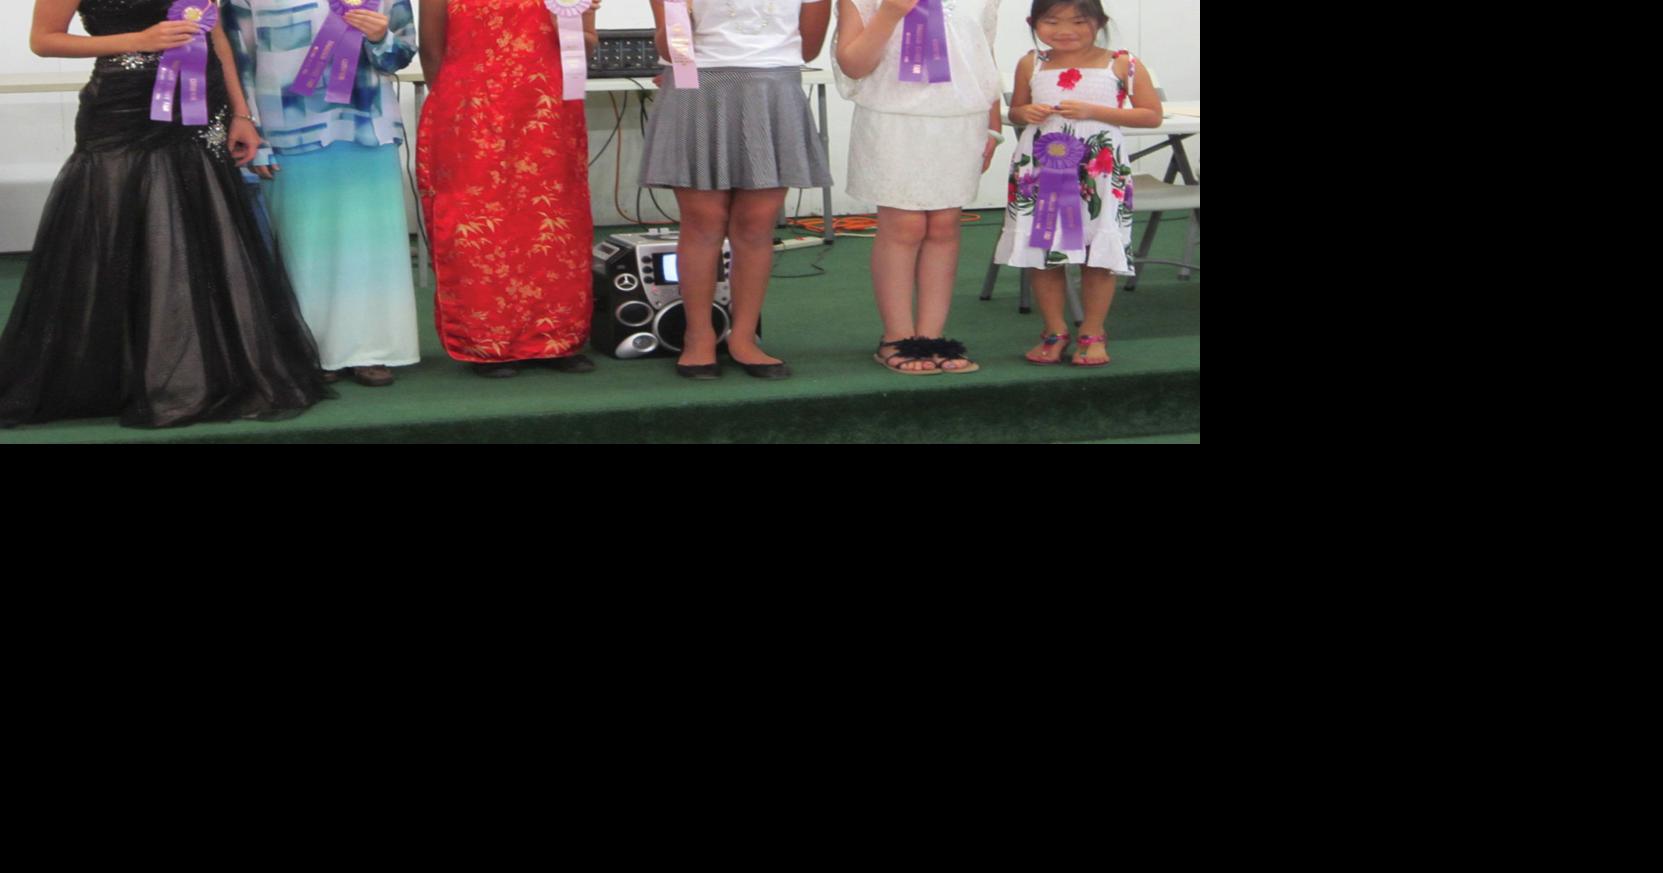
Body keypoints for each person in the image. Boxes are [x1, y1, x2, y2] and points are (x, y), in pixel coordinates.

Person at [0, 0, 330, 428]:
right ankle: (119, 373)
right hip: (123, 110)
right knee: (121, 230)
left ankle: (207, 371)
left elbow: (216, 37)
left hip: (202, 111)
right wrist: (138, 40)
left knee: (201, 228)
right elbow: (44, 41)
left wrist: (242, 114)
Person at [227, 0, 422, 388]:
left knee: (370, 248)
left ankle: (370, 350)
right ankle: (309, 351)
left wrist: (381, 37)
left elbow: (401, 54)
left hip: (368, 128)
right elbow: (238, 59)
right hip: (286, 130)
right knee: (303, 248)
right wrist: (254, 131)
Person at [640, 0, 834, 380]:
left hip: (773, 88)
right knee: (702, 222)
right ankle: (698, 335)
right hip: (696, 86)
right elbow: (670, 48)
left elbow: (808, 45)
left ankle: (744, 337)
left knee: (756, 225)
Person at [417, 0, 601, 379]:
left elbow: (587, 44)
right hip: (470, 109)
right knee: (477, 221)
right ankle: (487, 340)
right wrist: (456, 105)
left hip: (546, 110)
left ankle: (556, 337)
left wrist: (564, 24)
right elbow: (431, 50)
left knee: (553, 222)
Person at [833, 0, 1003, 375]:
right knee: (904, 226)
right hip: (894, 117)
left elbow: (984, 55)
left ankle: (931, 336)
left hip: (960, 119)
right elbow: (853, 64)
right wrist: (891, 12)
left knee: (944, 226)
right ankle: (897, 336)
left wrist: (993, 122)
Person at [993, 0, 1160, 366]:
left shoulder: (1121, 62)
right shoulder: (1030, 62)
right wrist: (1024, 113)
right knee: (1043, 251)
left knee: (1097, 250)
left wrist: (1093, 111)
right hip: (1039, 168)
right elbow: (1015, 110)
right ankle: (1054, 330)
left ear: (1100, 23)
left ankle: (1093, 332)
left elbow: (1151, 115)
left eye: (1078, 21)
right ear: (1032, 23)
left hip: (1099, 169)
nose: (1064, 29)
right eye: (1051, 21)